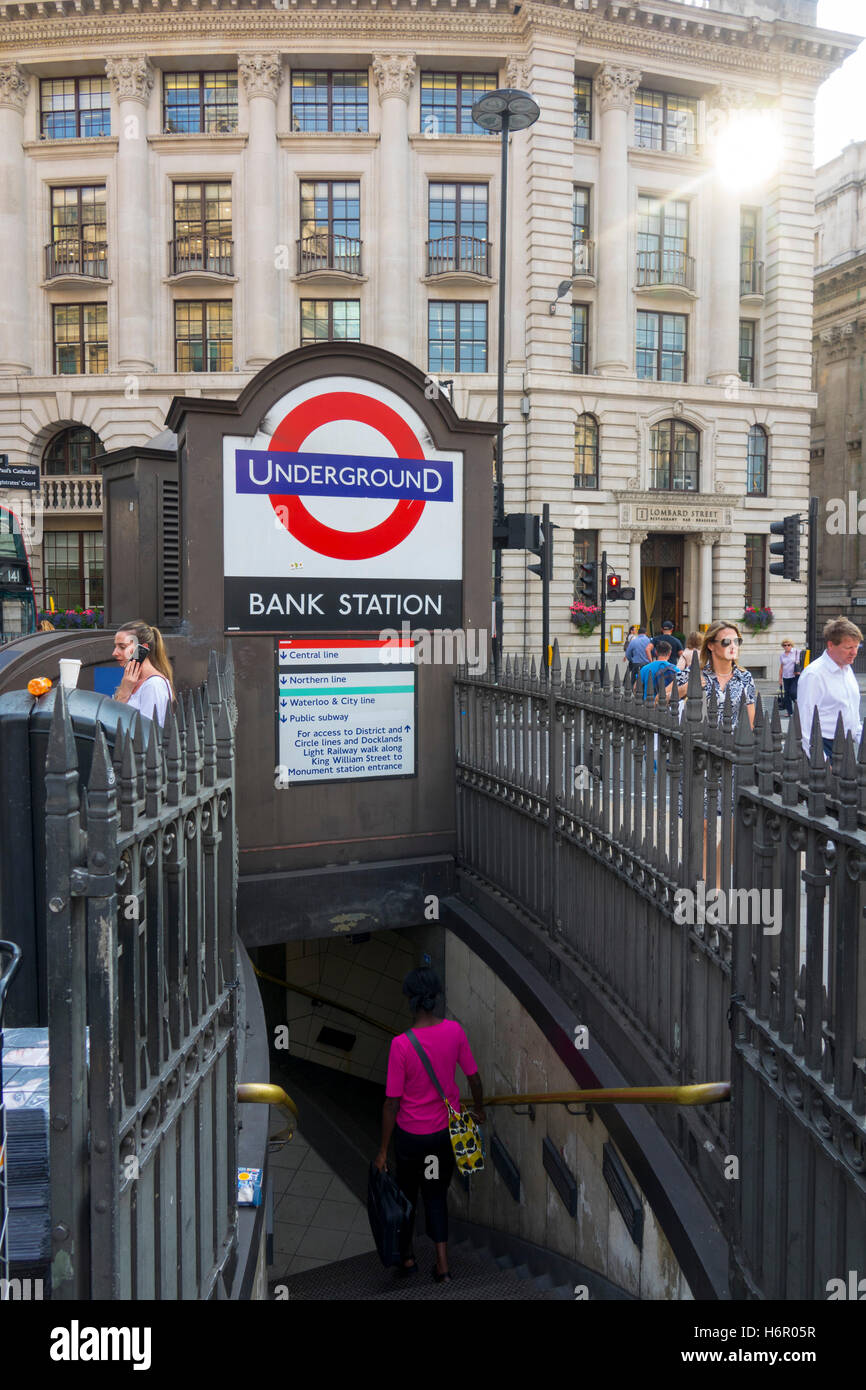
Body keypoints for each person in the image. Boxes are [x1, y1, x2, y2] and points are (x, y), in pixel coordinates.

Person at [375, 967, 484, 1282]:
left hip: (410, 1140)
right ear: (435, 998)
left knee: (407, 1196)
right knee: (435, 1195)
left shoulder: (401, 1045)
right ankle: (443, 1265)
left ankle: (407, 1258)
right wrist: (479, 1110)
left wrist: (383, 1149)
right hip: (442, 1138)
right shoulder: (455, 1031)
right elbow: (474, 1077)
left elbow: (391, 1103)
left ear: (410, 1000)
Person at [795, 616, 863, 759]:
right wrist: (822, 760)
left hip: (846, 744)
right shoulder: (814, 675)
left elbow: (851, 712)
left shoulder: (847, 668)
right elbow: (805, 725)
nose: (854, 652)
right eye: (848, 647)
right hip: (825, 746)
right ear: (831, 645)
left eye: (856, 646)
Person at [112, 619, 176, 725]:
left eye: (122, 647)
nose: (114, 653)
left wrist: (124, 693)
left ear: (143, 648)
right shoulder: (130, 682)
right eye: (115, 646)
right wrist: (124, 691)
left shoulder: (154, 684)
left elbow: (147, 734)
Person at [777, 638, 802, 718]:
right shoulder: (782, 655)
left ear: (791, 645)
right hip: (786, 676)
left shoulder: (796, 652)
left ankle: (800, 705)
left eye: (788, 645)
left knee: (793, 692)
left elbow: (802, 661)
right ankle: (789, 712)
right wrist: (780, 679)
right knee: (786, 695)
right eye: (785, 645)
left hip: (795, 676)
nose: (787, 646)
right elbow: (781, 667)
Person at [624, 624, 654, 689]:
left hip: (636, 664)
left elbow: (628, 654)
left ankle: (634, 693)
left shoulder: (633, 641)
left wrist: (632, 660)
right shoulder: (650, 641)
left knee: (634, 680)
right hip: (647, 664)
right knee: (646, 680)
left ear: (638, 633)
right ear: (646, 633)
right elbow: (654, 652)